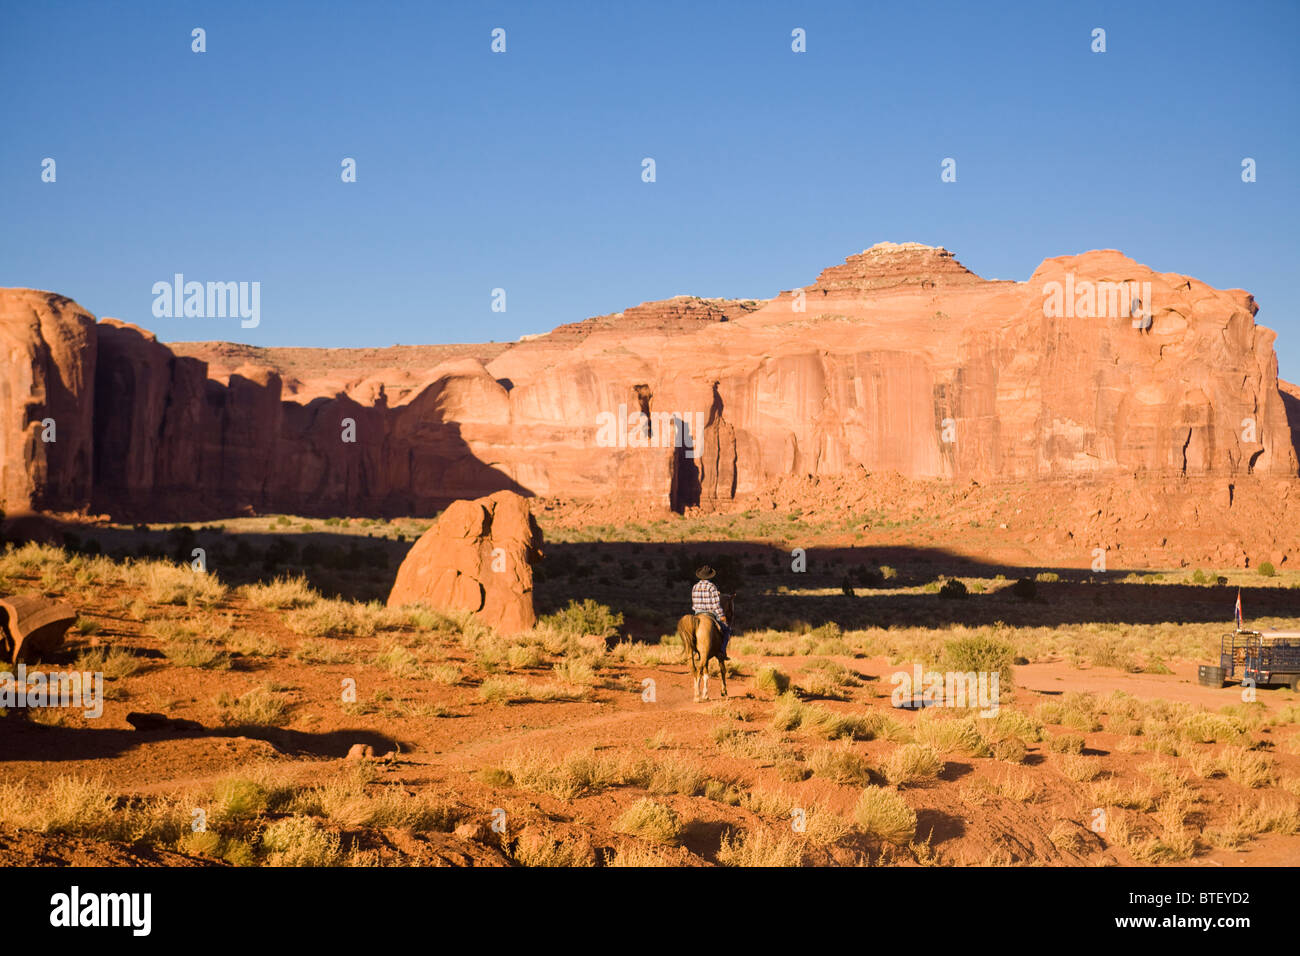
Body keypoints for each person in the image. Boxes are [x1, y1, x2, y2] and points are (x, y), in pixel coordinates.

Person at [691, 565, 731, 660]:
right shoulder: (712, 587)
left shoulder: (695, 586)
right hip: (710, 613)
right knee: (727, 630)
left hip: (697, 613)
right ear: (710, 576)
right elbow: (715, 604)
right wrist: (721, 615)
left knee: (691, 632)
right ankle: (722, 651)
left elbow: (694, 601)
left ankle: (694, 651)